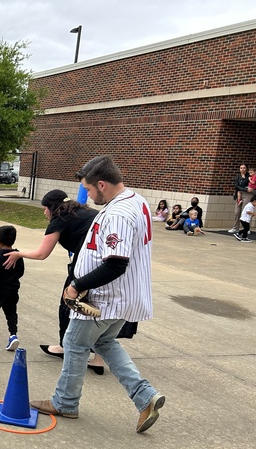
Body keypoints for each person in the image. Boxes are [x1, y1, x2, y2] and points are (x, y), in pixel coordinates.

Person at [30, 155, 165, 433]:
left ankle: (65, 402)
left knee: (75, 343)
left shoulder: (116, 213)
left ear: (101, 184)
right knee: (104, 343)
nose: (88, 196)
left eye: (89, 190)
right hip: (123, 297)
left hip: (106, 298)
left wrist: (76, 285)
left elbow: (116, 263)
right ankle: (145, 396)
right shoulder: (135, 199)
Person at [3, 189, 104, 374]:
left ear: (52, 207)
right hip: (108, 264)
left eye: (45, 208)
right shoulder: (85, 211)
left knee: (69, 304)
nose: (44, 212)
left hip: (87, 265)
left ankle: (66, 347)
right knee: (101, 308)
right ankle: (98, 358)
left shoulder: (60, 219)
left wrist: (19, 254)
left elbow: (42, 254)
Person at [229, 164, 250, 234]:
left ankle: (246, 228)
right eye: (241, 168)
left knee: (245, 211)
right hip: (239, 194)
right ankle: (235, 227)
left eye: (244, 168)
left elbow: (250, 185)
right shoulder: (237, 177)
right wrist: (244, 189)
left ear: (246, 169)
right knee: (237, 212)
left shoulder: (249, 177)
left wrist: (245, 189)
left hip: (247, 195)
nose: (242, 169)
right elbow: (236, 186)